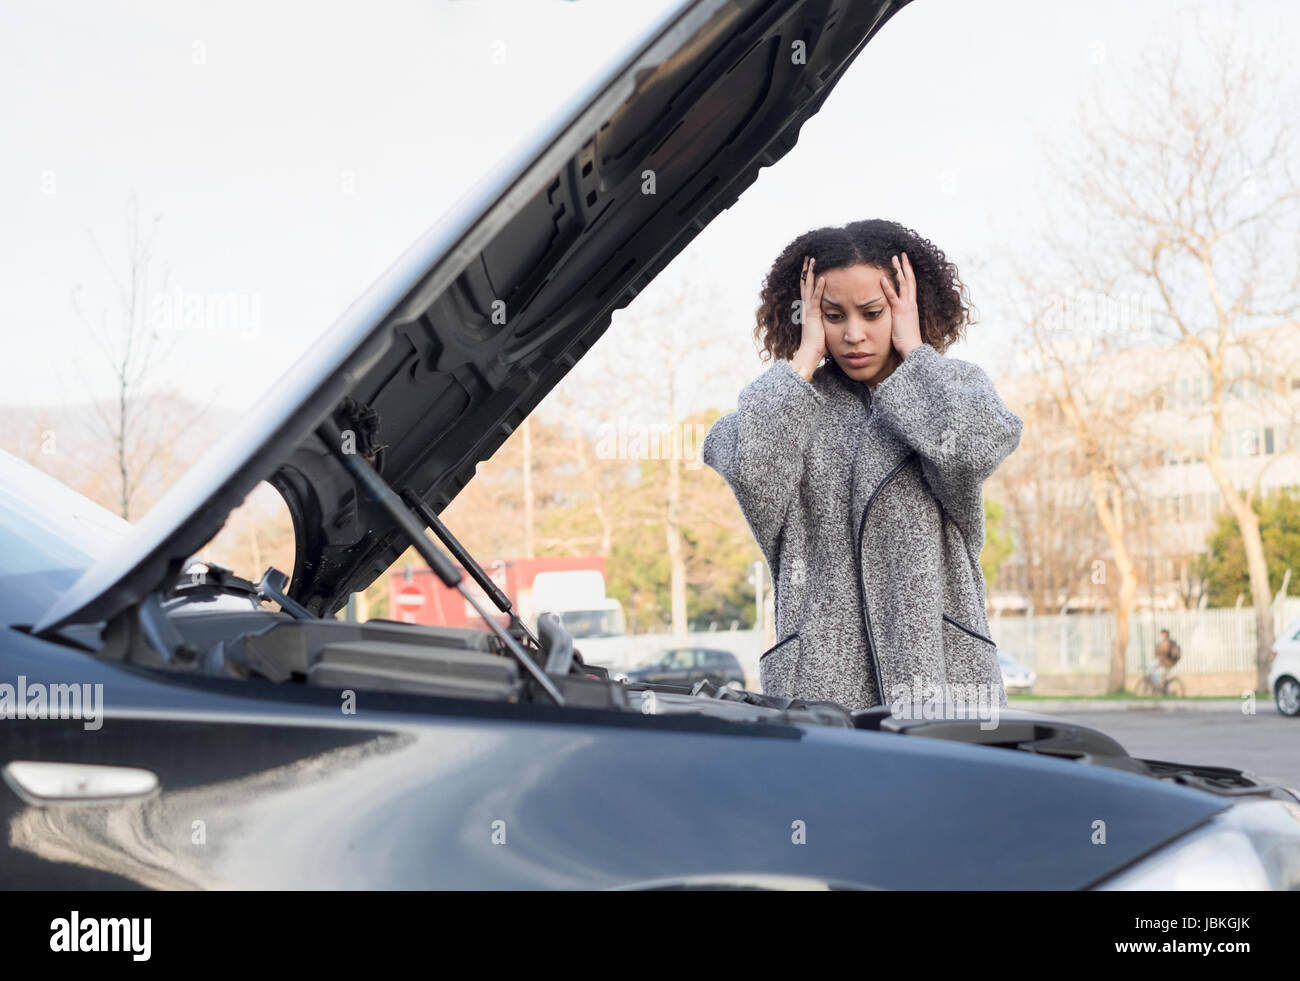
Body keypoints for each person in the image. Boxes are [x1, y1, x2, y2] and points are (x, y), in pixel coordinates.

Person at [701, 219, 1024, 712]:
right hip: (823, 683)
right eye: (833, 316)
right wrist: (804, 358)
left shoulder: (946, 390)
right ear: (808, 316)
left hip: (940, 674)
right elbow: (752, 470)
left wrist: (915, 352)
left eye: (873, 313)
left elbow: (976, 445)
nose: (854, 334)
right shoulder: (793, 406)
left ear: (908, 307)